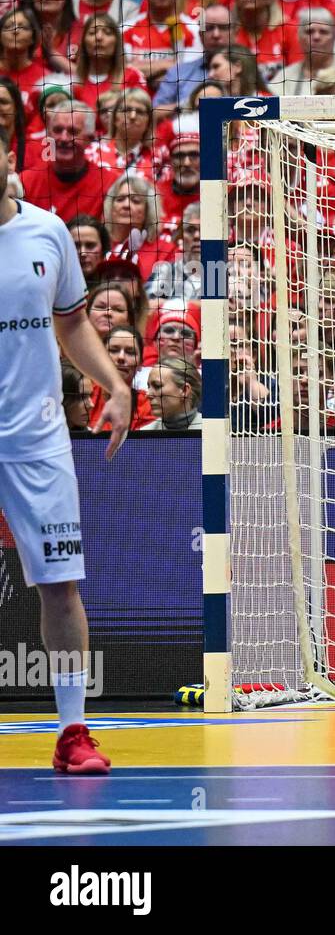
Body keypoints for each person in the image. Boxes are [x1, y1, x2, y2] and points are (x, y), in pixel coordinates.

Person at [0, 120, 129, 774]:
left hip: (38, 438)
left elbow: (73, 321)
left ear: (8, 154)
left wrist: (113, 382)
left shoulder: (47, 231)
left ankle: (73, 732)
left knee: (60, 585)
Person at [19, 102, 123, 220]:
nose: (64, 138)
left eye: (73, 132)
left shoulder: (109, 185)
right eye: (57, 130)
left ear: (90, 138)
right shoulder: (25, 182)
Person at [140, 355, 202, 429]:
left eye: (157, 386)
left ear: (184, 390)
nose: (148, 394)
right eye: (148, 387)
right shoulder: (145, 434)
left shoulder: (212, 431)